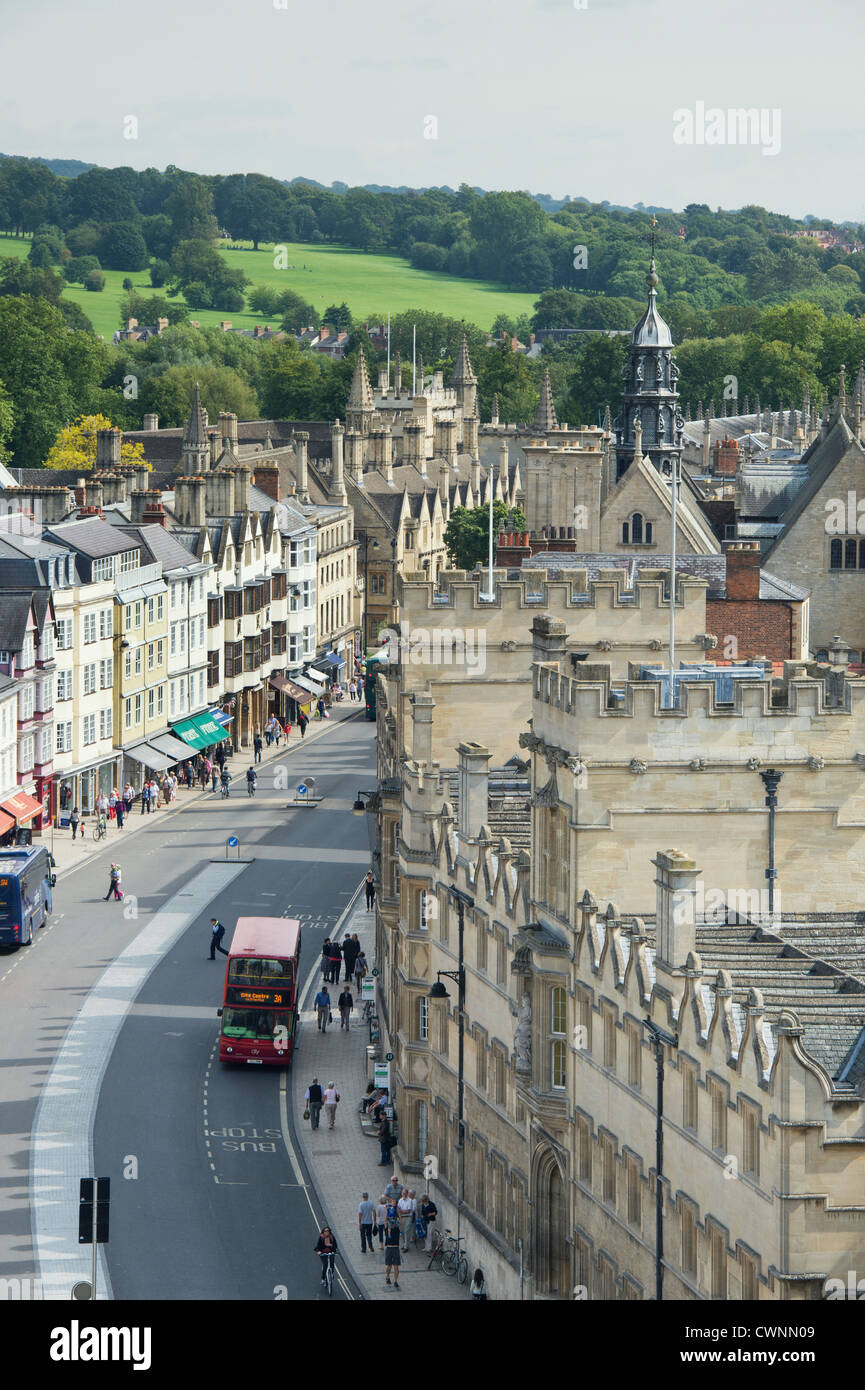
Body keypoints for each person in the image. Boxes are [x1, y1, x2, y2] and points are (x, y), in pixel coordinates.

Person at [384, 1220, 401, 1287]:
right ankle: (387, 1276)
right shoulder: (387, 1230)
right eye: (391, 1223)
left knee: (396, 1266)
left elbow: (400, 1222)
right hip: (389, 1248)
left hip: (396, 1248)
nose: (392, 1225)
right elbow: (385, 1221)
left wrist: (398, 1212)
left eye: (393, 1223)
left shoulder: (397, 1229)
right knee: (389, 1266)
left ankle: (395, 1281)